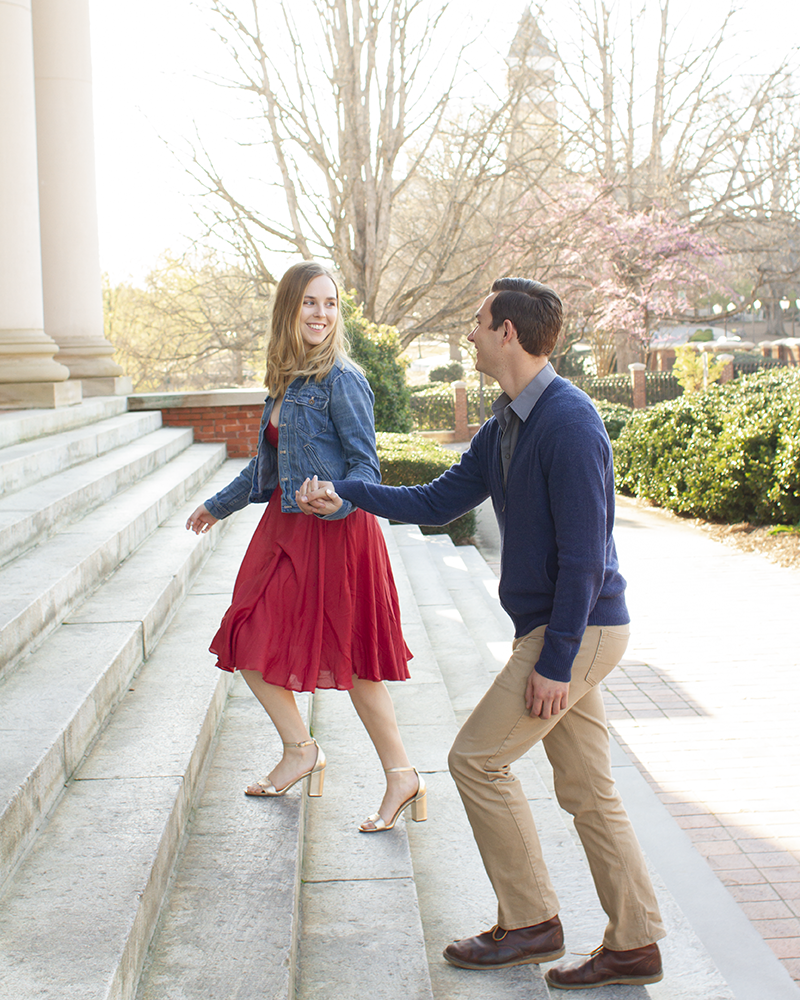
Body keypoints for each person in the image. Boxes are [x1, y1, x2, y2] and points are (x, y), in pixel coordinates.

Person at [297, 277, 666, 989]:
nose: (468, 333)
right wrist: (347, 492)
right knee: (590, 793)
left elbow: (589, 558)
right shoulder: (506, 423)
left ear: (507, 333)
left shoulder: (570, 421)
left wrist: (555, 662)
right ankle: (636, 943)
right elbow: (438, 499)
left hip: (577, 627)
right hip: (562, 626)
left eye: (476, 321)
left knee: (474, 760)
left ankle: (530, 923)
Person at [185, 261, 426, 834]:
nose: (321, 314)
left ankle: (401, 775)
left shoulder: (343, 379)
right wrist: (216, 506)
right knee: (245, 634)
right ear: (289, 310)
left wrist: (339, 501)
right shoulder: (285, 378)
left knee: (358, 663)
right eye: (310, 303)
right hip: (284, 530)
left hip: (337, 534)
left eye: (331, 303)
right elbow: (264, 471)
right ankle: (300, 749)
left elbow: (367, 466)